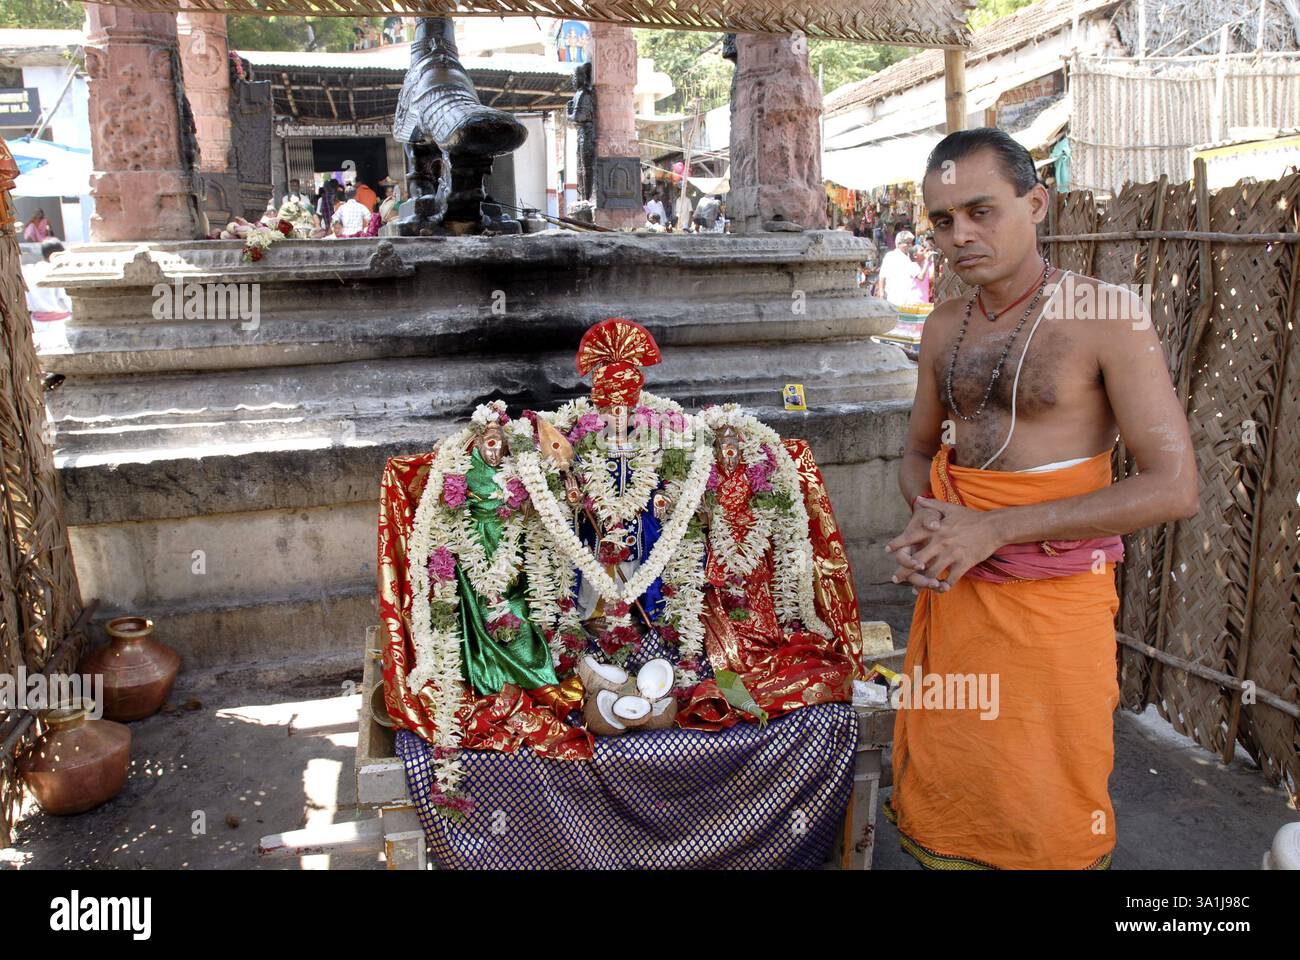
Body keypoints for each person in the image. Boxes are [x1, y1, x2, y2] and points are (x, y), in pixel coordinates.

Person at [883, 127, 1198, 870]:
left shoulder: (1109, 316)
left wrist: (993, 531)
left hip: (1055, 610)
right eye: (941, 219)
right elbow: (920, 455)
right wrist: (933, 523)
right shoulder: (942, 328)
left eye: (981, 211)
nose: (959, 235)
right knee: (954, 780)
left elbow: (1173, 486)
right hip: (960, 604)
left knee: (1048, 795)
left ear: (1037, 203)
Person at [23, 238, 71, 322]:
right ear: (58, 254)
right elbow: (68, 302)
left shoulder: (30, 271)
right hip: (59, 323)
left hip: (35, 323)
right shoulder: (57, 272)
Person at [877, 230, 921, 306]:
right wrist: (881, 292)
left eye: (911, 243)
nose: (910, 245)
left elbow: (918, 275)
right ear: (899, 243)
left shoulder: (908, 257)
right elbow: (882, 276)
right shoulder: (890, 256)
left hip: (908, 298)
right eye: (907, 243)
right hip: (894, 297)